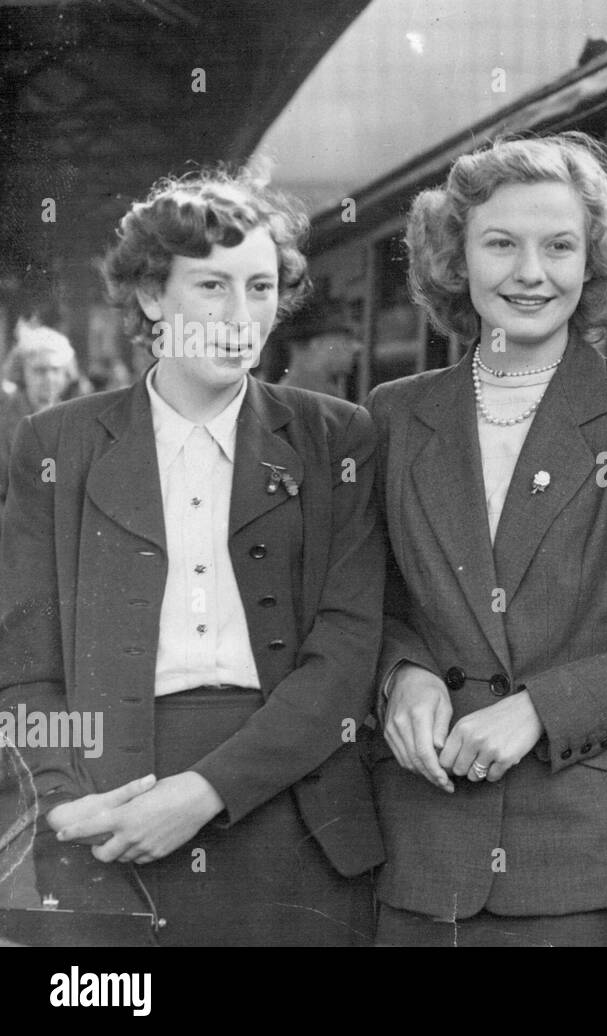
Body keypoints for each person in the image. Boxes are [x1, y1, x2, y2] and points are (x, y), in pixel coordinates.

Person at [367, 132, 607, 947]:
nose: (530, 274)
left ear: (593, 262)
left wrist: (540, 709)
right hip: (423, 850)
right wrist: (403, 675)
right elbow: (369, 604)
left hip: (580, 856)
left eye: (559, 246)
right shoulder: (395, 413)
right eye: (500, 243)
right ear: (455, 260)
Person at [0, 170, 385, 946]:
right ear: (150, 296)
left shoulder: (337, 438)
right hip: (105, 811)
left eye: (261, 288)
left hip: (292, 804)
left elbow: (346, 652)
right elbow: (23, 659)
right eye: (212, 286)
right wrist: (60, 794)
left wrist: (206, 791)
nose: (240, 318)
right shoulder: (56, 443)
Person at [0, 327, 79, 507]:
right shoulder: (4, 419)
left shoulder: (73, 417)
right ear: (21, 372)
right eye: (40, 370)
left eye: (56, 370)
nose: (50, 378)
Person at [276, 298, 362, 398]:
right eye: (347, 339)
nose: (357, 347)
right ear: (317, 344)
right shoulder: (292, 401)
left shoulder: (327, 394)